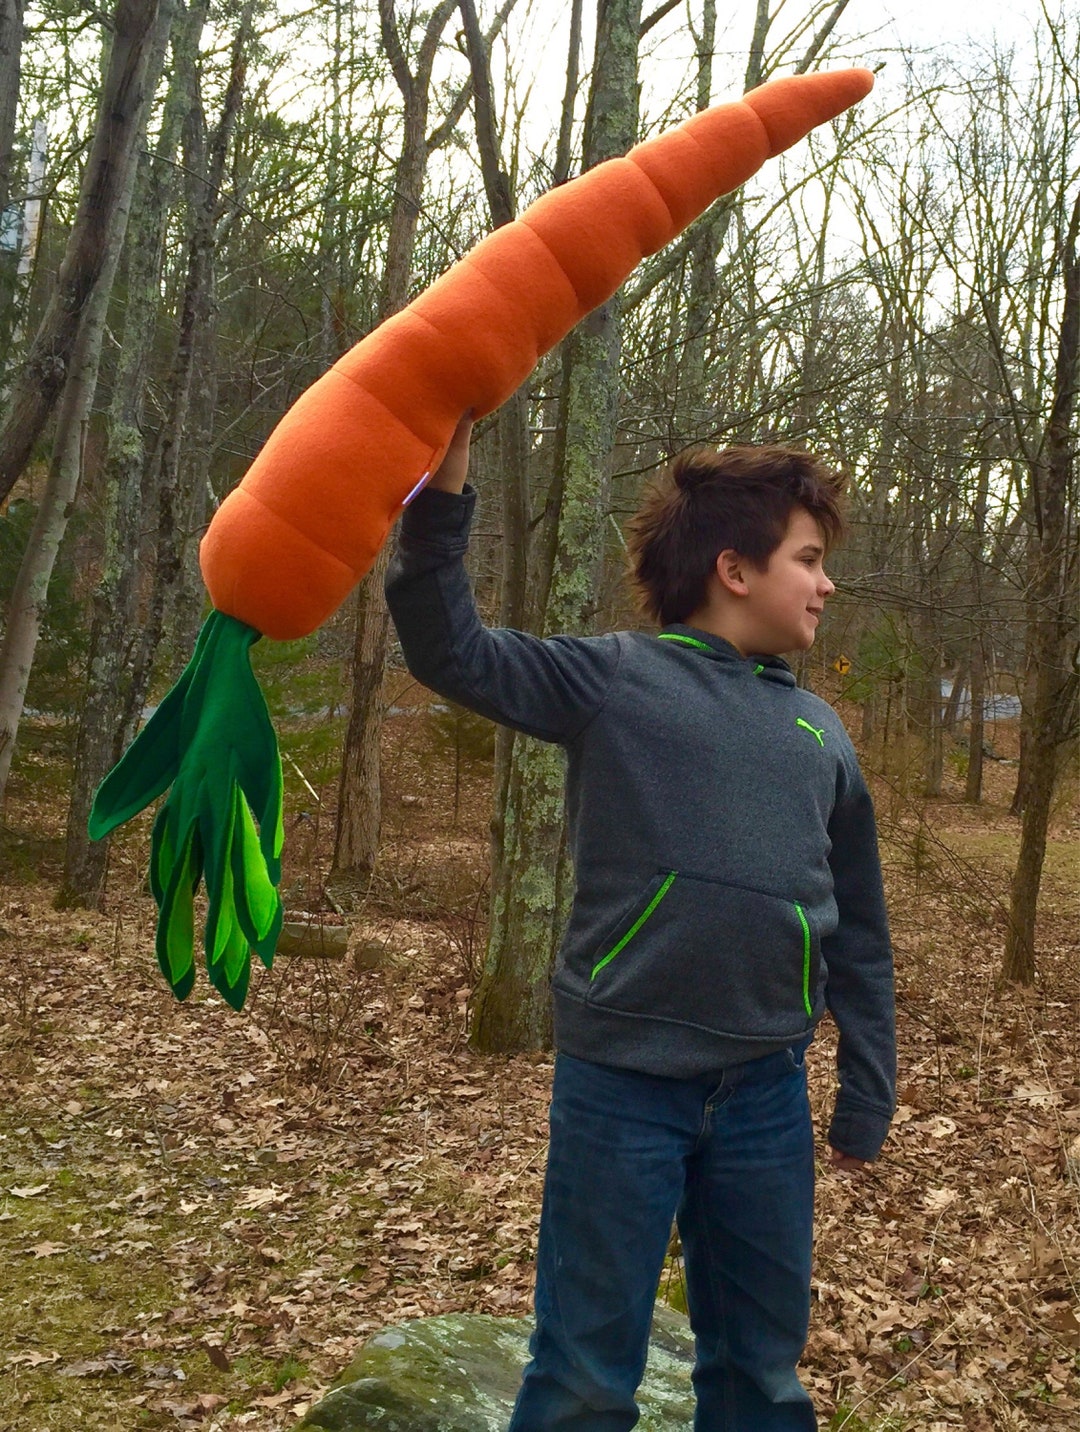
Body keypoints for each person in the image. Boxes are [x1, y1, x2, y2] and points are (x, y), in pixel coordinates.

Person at [384, 416, 896, 1432]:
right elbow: (451, 649)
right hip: (620, 1089)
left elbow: (861, 933)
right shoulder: (614, 679)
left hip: (764, 1100)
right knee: (583, 1376)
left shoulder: (822, 735)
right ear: (734, 569)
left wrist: (866, 1094)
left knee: (760, 1377)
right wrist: (443, 498)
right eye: (809, 559)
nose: (826, 584)